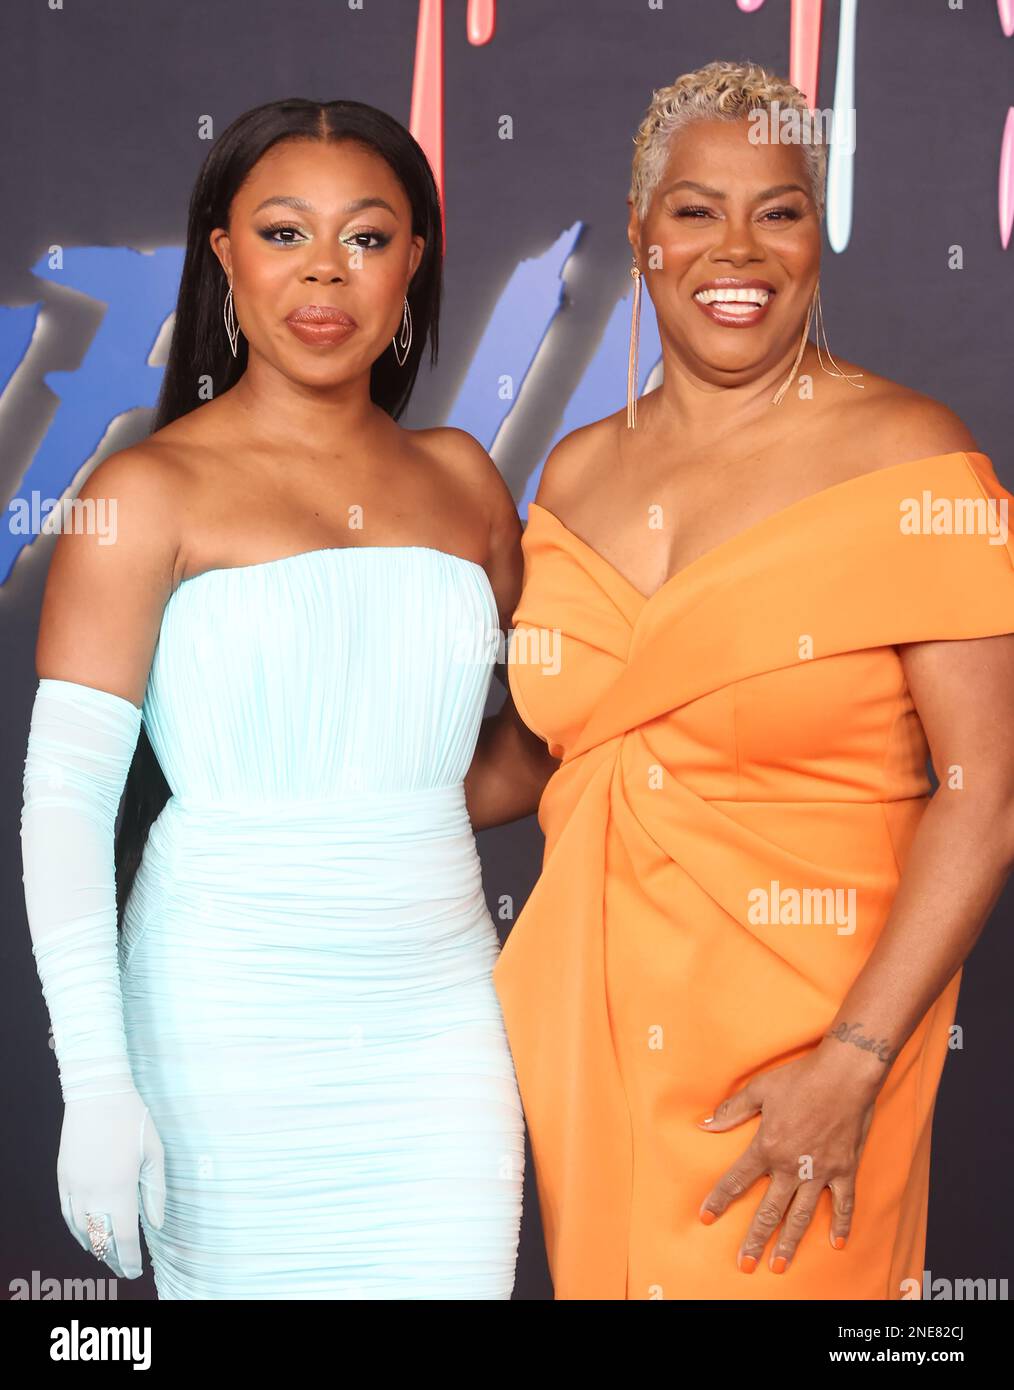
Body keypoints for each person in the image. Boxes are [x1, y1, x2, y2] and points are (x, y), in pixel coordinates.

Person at [490, 61, 1014, 1299]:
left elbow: (985, 793)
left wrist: (855, 1061)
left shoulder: (910, 456)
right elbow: (558, 747)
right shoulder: (573, 473)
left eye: (778, 210)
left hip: (804, 1064)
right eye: (697, 210)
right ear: (642, 235)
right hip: (594, 1043)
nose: (739, 248)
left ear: (816, 234)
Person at [20, 97, 527, 1300]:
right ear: (224, 254)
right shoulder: (144, 492)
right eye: (284, 232)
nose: (325, 272)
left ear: (414, 261)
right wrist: (96, 1083)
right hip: (221, 1028)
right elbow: (66, 802)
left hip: (439, 1031)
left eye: (367, 237)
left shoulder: (464, 482)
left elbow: (526, 744)